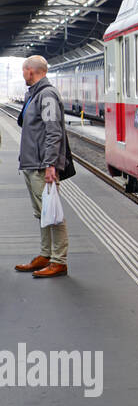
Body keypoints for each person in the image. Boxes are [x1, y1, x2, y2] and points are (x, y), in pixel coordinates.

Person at [15, 55, 69, 278]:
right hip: (31, 163)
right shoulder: (34, 94)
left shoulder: (46, 95)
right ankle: (46, 255)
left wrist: (50, 164)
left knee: (52, 213)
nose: (23, 75)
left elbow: (53, 131)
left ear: (30, 71)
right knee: (42, 212)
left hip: (41, 165)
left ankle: (59, 260)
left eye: (23, 71)